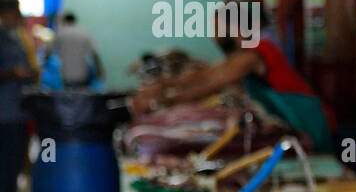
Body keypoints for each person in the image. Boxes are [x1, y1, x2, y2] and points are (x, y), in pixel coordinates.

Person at [130, 11, 335, 152]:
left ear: (235, 27)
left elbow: (212, 82)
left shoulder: (254, 53)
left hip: (308, 120)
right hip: (292, 118)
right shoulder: (252, 48)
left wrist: (161, 101)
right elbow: (208, 73)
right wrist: (165, 87)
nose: (215, 35)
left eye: (218, 28)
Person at [0, 0, 36, 192]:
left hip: (18, 110)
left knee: (14, 162)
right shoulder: (2, 39)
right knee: (5, 162)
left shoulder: (17, 37)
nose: (17, 16)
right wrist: (13, 72)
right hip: (5, 112)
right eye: (14, 12)